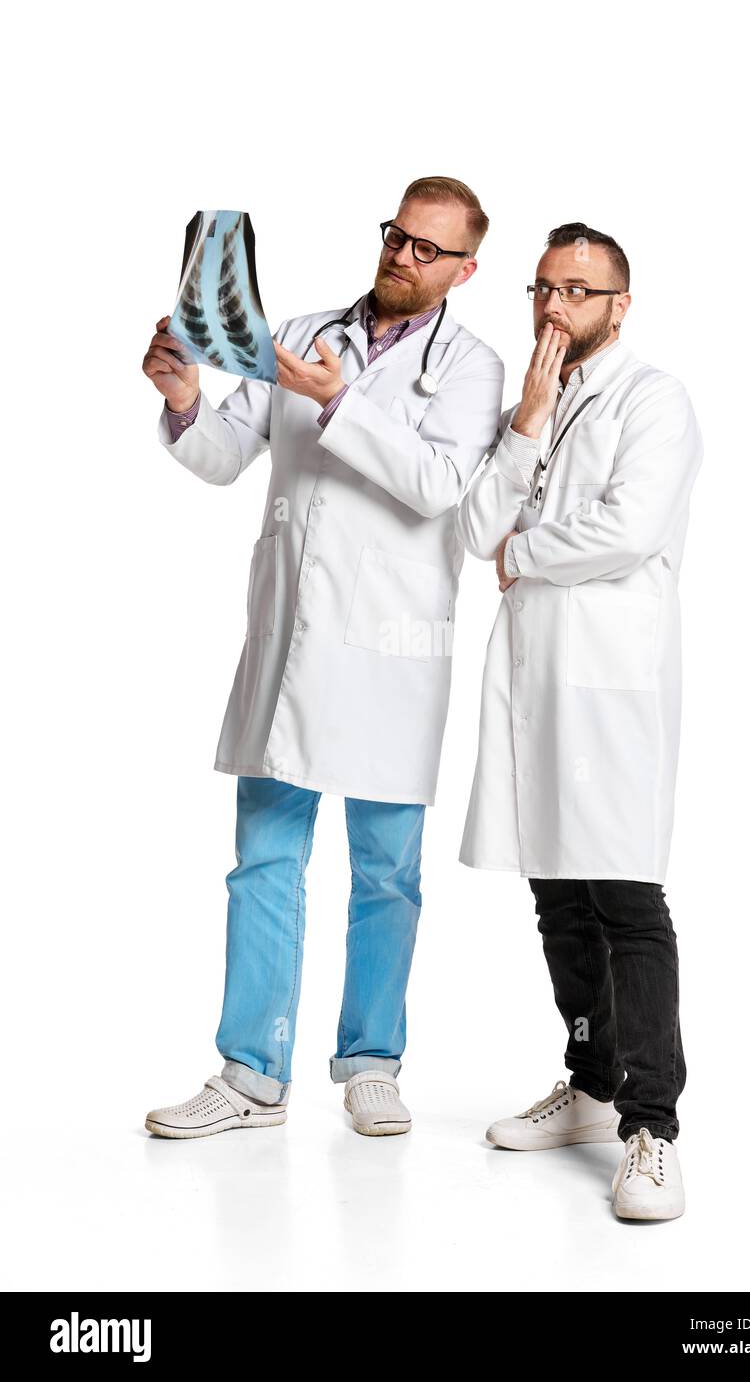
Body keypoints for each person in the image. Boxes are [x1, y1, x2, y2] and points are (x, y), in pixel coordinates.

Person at [140, 177, 504, 1139]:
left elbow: (437, 487)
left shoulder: (471, 367)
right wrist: (185, 397)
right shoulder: (302, 331)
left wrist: (340, 399)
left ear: (464, 270)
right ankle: (250, 1075)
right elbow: (223, 456)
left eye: (430, 250)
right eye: (398, 236)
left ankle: (372, 1063)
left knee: (386, 871)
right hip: (292, 638)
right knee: (263, 860)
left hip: (392, 648)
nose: (403, 257)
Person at [457, 222, 703, 1219]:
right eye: (543, 289)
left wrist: (528, 552)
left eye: (577, 291)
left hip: (608, 677)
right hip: (534, 676)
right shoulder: (534, 402)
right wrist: (526, 421)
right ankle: (593, 1085)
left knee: (625, 898)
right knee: (556, 889)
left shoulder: (656, 400)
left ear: (619, 305)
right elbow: (477, 527)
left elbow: (628, 530)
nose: (553, 308)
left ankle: (653, 1126)